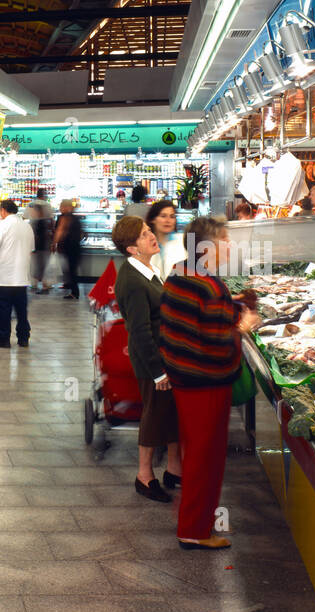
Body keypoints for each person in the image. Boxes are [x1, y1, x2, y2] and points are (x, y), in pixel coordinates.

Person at [160, 215, 259, 550]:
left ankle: (194, 523)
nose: (229, 245)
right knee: (206, 458)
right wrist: (243, 326)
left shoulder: (180, 271)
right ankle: (194, 530)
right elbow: (216, 340)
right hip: (205, 384)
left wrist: (236, 305)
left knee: (196, 453)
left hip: (183, 379)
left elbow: (202, 315)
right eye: (225, 240)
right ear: (208, 247)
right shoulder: (209, 284)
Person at [111, 215, 182, 504]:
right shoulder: (131, 281)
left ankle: (174, 469)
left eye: (148, 231)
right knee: (154, 415)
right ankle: (144, 475)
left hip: (164, 354)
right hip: (151, 360)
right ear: (131, 248)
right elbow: (139, 331)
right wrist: (158, 373)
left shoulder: (147, 269)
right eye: (143, 234)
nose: (151, 236)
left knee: (170, 413)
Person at [0, 199, 34, 347]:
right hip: (21, 276)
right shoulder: (27, 226)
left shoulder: (2, 225)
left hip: (5, 275)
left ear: (3, 211)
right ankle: (23, 338)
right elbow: (31, 250)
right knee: (21, 309)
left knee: (3, 308)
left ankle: (3, 338)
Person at [146, 198, 186, 283]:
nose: (168, 221)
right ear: (153, 219)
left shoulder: (184, 241)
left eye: (172, 216)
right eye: (163, 216)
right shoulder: (145, 245)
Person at [52, 198, 82, 299]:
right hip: (73, 247)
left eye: (62, 206)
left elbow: (60, 231)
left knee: (71, 270)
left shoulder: (65, 218)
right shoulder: (73, 218)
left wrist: (54, 243)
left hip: (70, 248)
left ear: (67, 207)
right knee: (69, 269)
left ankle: (75, 292)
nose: (60, 208)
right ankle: (68, 285)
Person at [27, 188, 53, 294]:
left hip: (39, 245)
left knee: (38, 264)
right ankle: (43, 284)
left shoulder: (31, 206)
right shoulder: (47, 208)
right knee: (42, 264)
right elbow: (52, 223)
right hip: (43, 245)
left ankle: (40, 285)